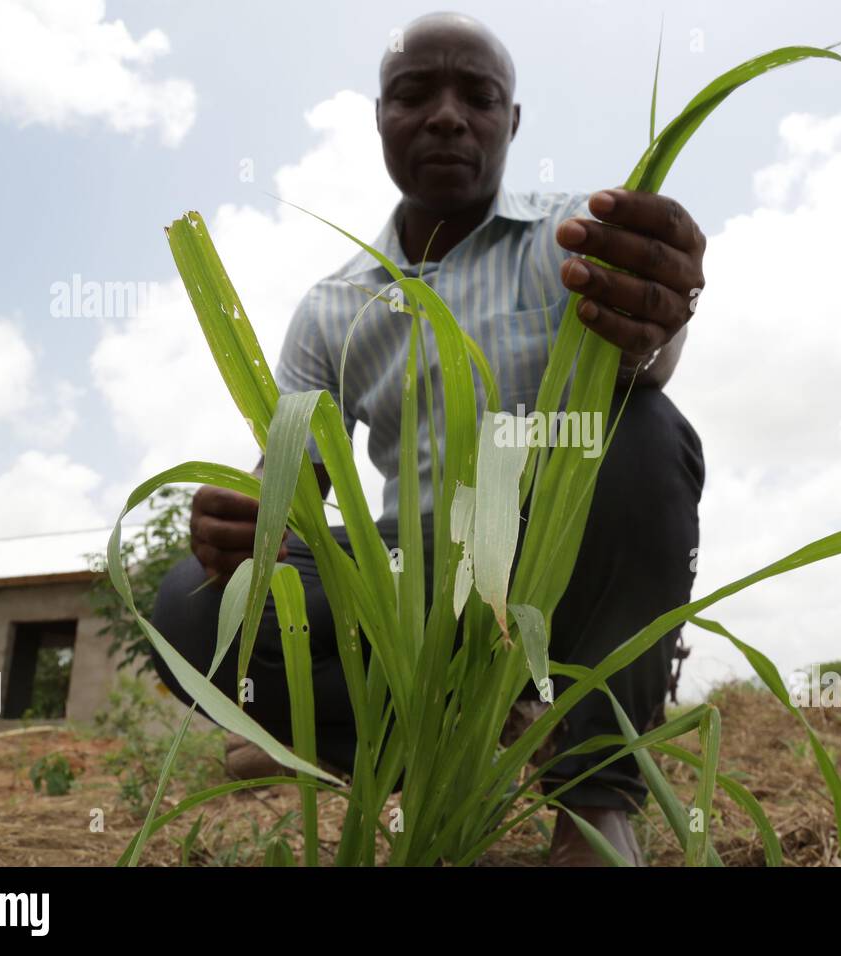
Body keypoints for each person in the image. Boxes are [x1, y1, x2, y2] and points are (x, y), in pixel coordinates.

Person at [150, 10, 708, 866]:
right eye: (414, 93)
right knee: (194, 598)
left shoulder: (575, 242)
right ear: (380, 116)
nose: (447, 115)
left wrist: (654, 325)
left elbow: (647, 361)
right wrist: (247, 520)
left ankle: (597, 800)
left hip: (545, 568)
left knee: (640, 429)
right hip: (403, 584)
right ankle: (407, 742)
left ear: (511, 121)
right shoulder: (333, 306)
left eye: (479, 97)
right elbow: (286, 487)